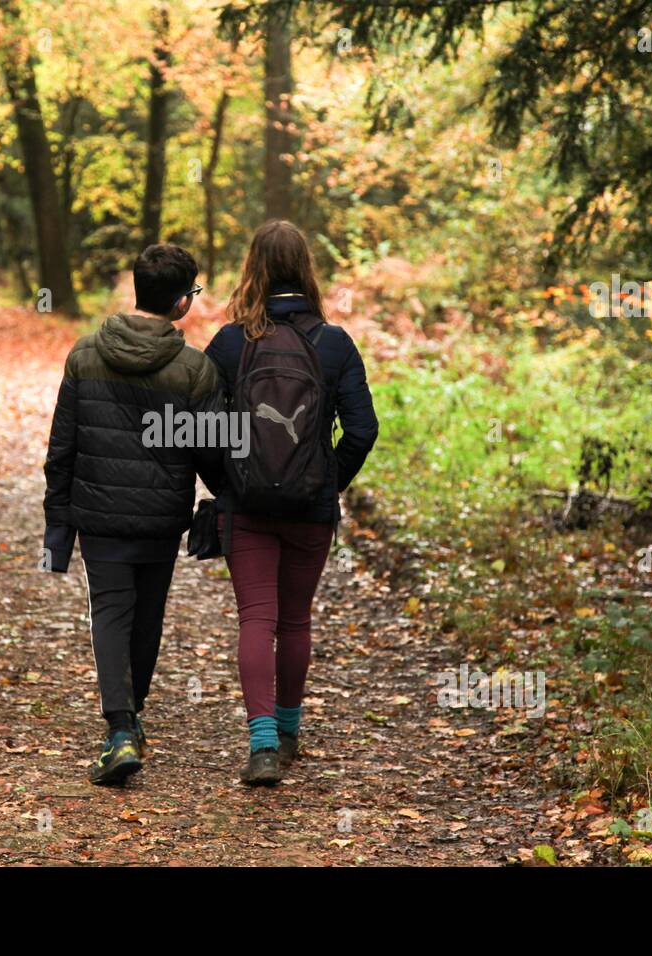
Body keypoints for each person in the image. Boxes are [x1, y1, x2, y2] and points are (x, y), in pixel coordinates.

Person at [204, 221, 379, 785]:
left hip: (246, 505)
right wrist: (327, 482)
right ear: (306, 268)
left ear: (253, 268)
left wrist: (227, 481)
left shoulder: (231, 342)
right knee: (294, 618)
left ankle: (261, 748)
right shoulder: (334, 344)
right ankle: (288, 730)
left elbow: (200, 427)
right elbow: (362, 430)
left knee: (256, 617)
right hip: (310, 509)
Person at [43, 243, 221, 785]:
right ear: (179, 302)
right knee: (148, 618)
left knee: (112, 614)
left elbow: (62, 447)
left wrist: (57, 528)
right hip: (162, 517)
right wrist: (228, 506)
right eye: (192, 292)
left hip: (98, 516)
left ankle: (121, 728)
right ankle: (128, 721)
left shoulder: (84, 354)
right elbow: (215, 451)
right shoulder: (195, 369)